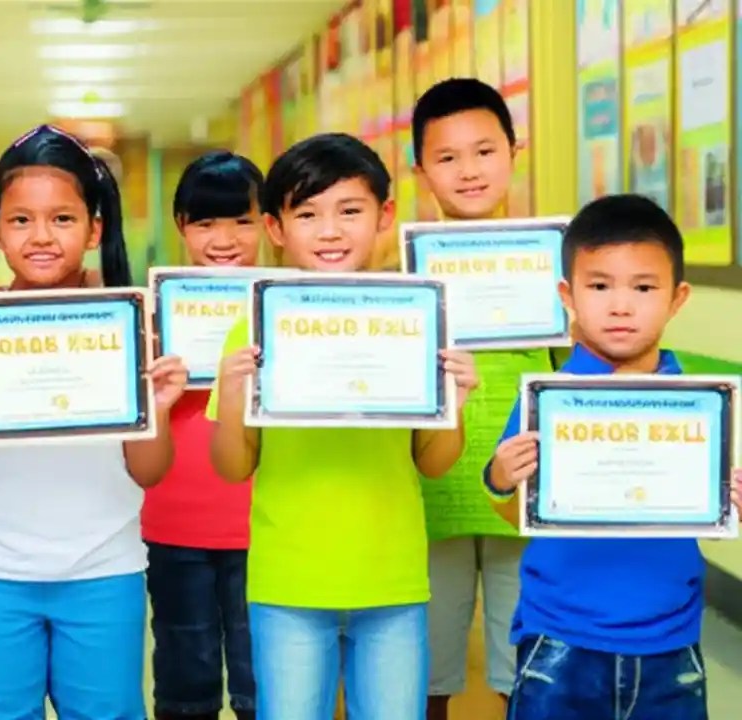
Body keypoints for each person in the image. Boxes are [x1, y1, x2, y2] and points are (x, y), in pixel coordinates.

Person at [0, 125, 189, 720]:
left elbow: (147, 471)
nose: (41, 237)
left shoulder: (127, 327)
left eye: (62, 220)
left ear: (94, 229)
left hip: (103, 568)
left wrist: (159, 411)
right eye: (21, 221)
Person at [208, 133, 479, 720]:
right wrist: (231, 397)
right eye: (307, 214)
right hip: (289, 581)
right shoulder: (252, 327)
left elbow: (433, 462)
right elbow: (233, 466)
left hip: (393, 578)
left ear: (384, 216)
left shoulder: (414, 318)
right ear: (277, 228)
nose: (330, 231)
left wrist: (451, 399)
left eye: (349, 211)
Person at [486, 193, 742, 720]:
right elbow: (514, 511)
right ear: (569, 295)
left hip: (670, 642)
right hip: (560, 638)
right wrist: (502, 478)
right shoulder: (548, 398)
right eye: (599, 286)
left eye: (644, 288)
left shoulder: (698, 403)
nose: (621, 306)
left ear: (677, 298)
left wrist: (731, 502)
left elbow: (711, 517)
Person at [410, 77, 553, 719]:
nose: (468, 171)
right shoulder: (403, 273)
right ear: (421, 171)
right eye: (447, 157)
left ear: (514, 151)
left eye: (484, 151)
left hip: (521, 490)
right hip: (429, 492)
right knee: (427, 676)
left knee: (519, 668)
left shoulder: (555, 266)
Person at [143, 150, 262, 720]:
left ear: (271, 225)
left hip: (265, 519)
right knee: (184, 680)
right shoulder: (150, 315)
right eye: (206, 222)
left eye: (243, 221)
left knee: (259, 681)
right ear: (181, 228)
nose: (225, 239)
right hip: (173, 520)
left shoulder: (288, 307)